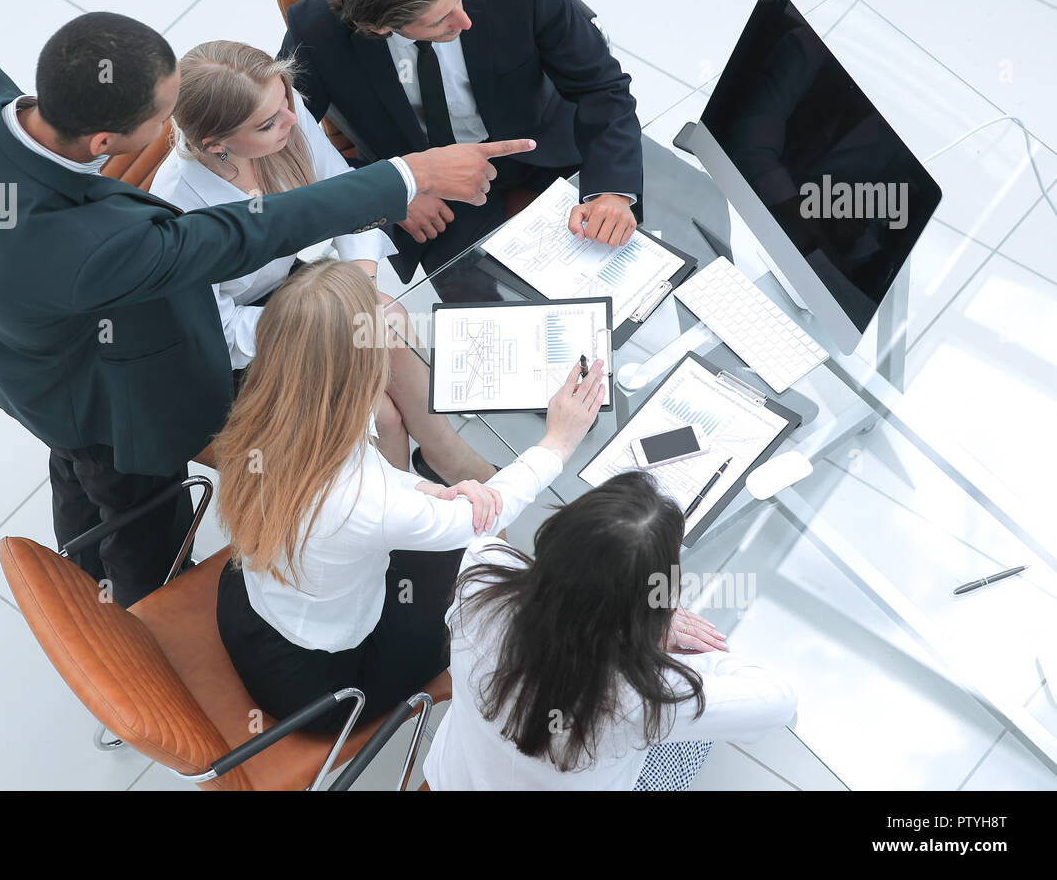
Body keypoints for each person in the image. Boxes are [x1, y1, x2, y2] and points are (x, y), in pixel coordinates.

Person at [0, 11, 533, 607]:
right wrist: (407, 177)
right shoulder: (104, 245)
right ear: (104, 141)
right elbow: (247, 234)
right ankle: (140, 632)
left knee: (71, 477)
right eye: (160, 116)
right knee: (133, 513)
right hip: (82, 391)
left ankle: (80, 568)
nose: (169, 128)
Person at [213, 259, 607, 732]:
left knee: (427, 511)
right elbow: (479, 518)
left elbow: (368, 487)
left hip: (250, 609)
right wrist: (558, 443)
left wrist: (416, 488)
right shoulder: (361, 494)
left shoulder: (263, 410)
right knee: (474, 555)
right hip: (324, 686)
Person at [149, 41, 495, 485]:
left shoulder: (283, 116)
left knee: (383, 317)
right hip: (235, 344)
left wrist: (361, 283)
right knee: (384, 418)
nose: (293, 121)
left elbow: (349, 199)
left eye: (286, 99)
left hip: (286, 290)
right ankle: (436, 477)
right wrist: (328, 320)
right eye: (270, 122)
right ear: (217, 145)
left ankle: (441, 456)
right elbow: (218, 336)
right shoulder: (178, 208)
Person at [280, 0, 645, 292]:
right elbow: (286, 146)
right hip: (434, 197)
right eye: (441, 20)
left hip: (547, 149)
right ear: (378, 27)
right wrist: (392, 190)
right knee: (490, 329)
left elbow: (601, 84)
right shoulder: (316, 32)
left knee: (632, 277)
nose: (465, 21)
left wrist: (612, 192)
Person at [423, 470, 797, 790]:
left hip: (451, 779)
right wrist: (661, 638)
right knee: (697, 735)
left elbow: (477, 526)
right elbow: (778, 702)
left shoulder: (480, 576)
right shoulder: (647, 695)